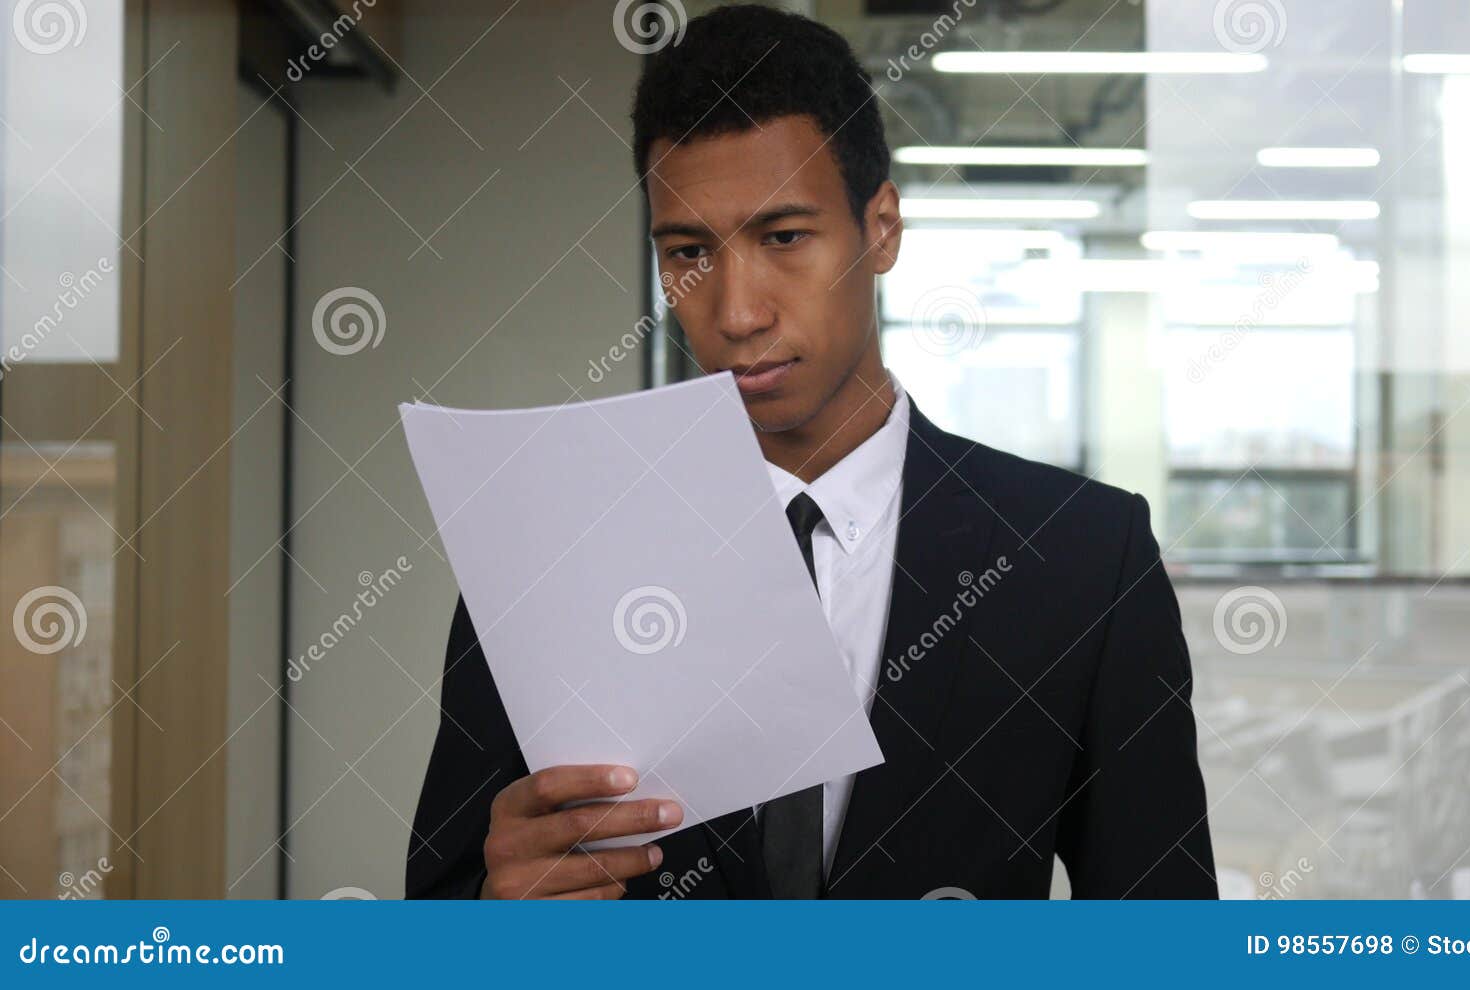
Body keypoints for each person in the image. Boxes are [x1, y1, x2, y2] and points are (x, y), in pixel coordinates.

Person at [406, 3, 1215, 900]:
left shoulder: (1082, 558)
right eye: (688, 251)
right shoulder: (549, 552)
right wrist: (487, 924)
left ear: (881, 230)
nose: (737, 310)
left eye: (783, 237)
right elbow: (440, 908)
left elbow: (1165, 930)